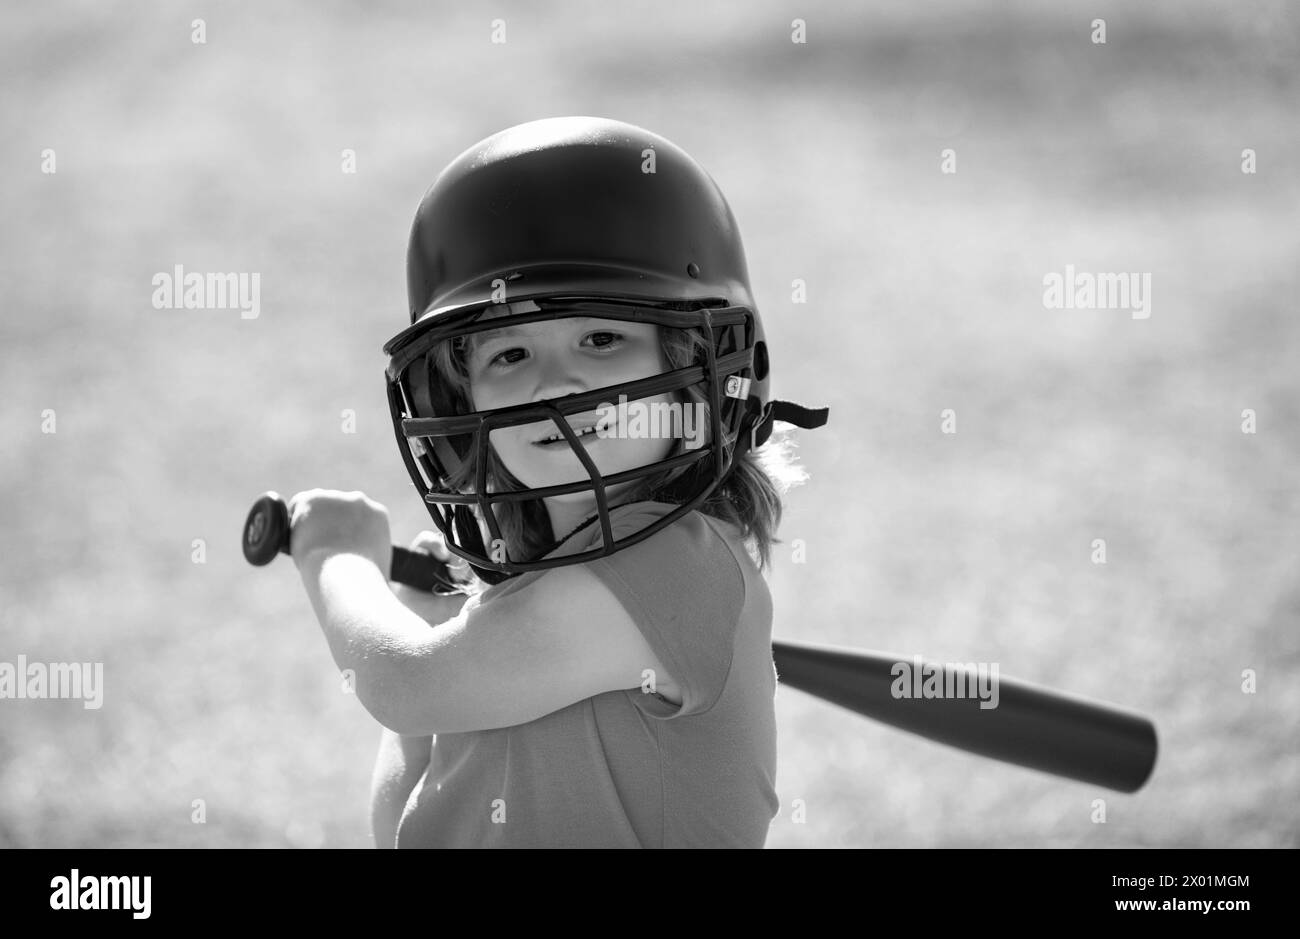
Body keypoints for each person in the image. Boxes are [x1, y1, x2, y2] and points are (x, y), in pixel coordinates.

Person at [290, 116, 829, 847]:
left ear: (700, 366)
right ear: (460, 403)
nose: (554, 383)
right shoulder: (520, 605)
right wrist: (424, 622)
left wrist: (338, 559)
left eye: (602, 339)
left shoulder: (676, 573)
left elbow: (405, 686)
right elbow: (409, 826)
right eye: (508, 354)